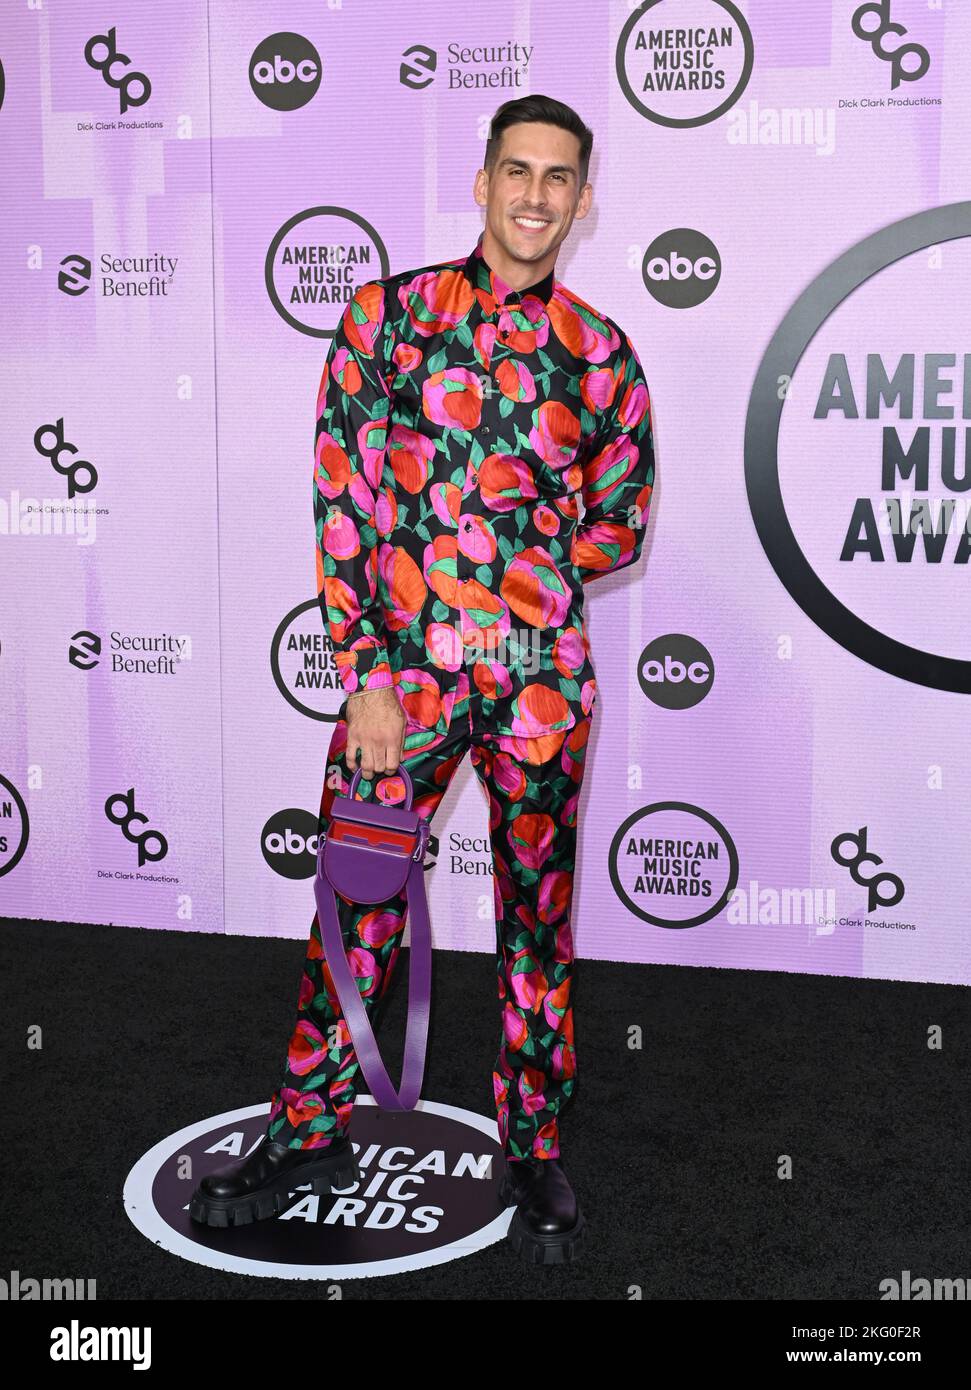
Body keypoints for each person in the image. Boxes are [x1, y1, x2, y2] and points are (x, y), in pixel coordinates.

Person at [191, 93, 656, 1265]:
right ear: (481, 180)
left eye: (559, 177)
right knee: (355, 902)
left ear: (583, 199)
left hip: (542, 681)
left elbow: (623, 520)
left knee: (534, 917)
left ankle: (532, 1137)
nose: (535, 195)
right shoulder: (384, 320)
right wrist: (365, 674)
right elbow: (343, 500)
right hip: (403, 682)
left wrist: (526, 565)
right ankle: (307, 1124)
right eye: (516, 170)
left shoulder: (599, 352)